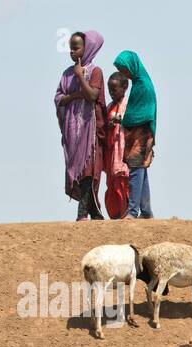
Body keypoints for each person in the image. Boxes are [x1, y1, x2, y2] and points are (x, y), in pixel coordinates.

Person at [54, 30, 107, 220]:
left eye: (76, 48)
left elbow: (93, 95)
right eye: (71, 49)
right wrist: (75, 95)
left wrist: (80, 77)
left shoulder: (95, 71)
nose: (72, 52)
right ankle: (95, 213)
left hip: (90, 130)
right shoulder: (66, 74)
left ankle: (82, 213)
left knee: (88, 169)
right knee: (79, 169)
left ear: (87, 48)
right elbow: (59, 98)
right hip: (72, 131)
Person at [114, 51, 157, 219]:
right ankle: (146, 212)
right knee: (140, 170)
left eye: (124, 69)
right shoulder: (139, 83)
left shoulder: (143, 86)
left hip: (142, 134)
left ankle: (133, 211)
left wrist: (126, 120)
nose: (123, 73)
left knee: (135, 170)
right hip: (137, 133)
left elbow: (145, 113)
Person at [102, 72, 130, 219]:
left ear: (125, 87)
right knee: (112, 184)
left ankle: (126, 212)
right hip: (112, 152)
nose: (112, 93)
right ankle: (115, 214)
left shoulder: (129, 105)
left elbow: (132, 123)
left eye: (114, 89)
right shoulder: (109, 107)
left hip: (124, 152)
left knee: (123, 182)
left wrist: (121, 121)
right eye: (110, 90)